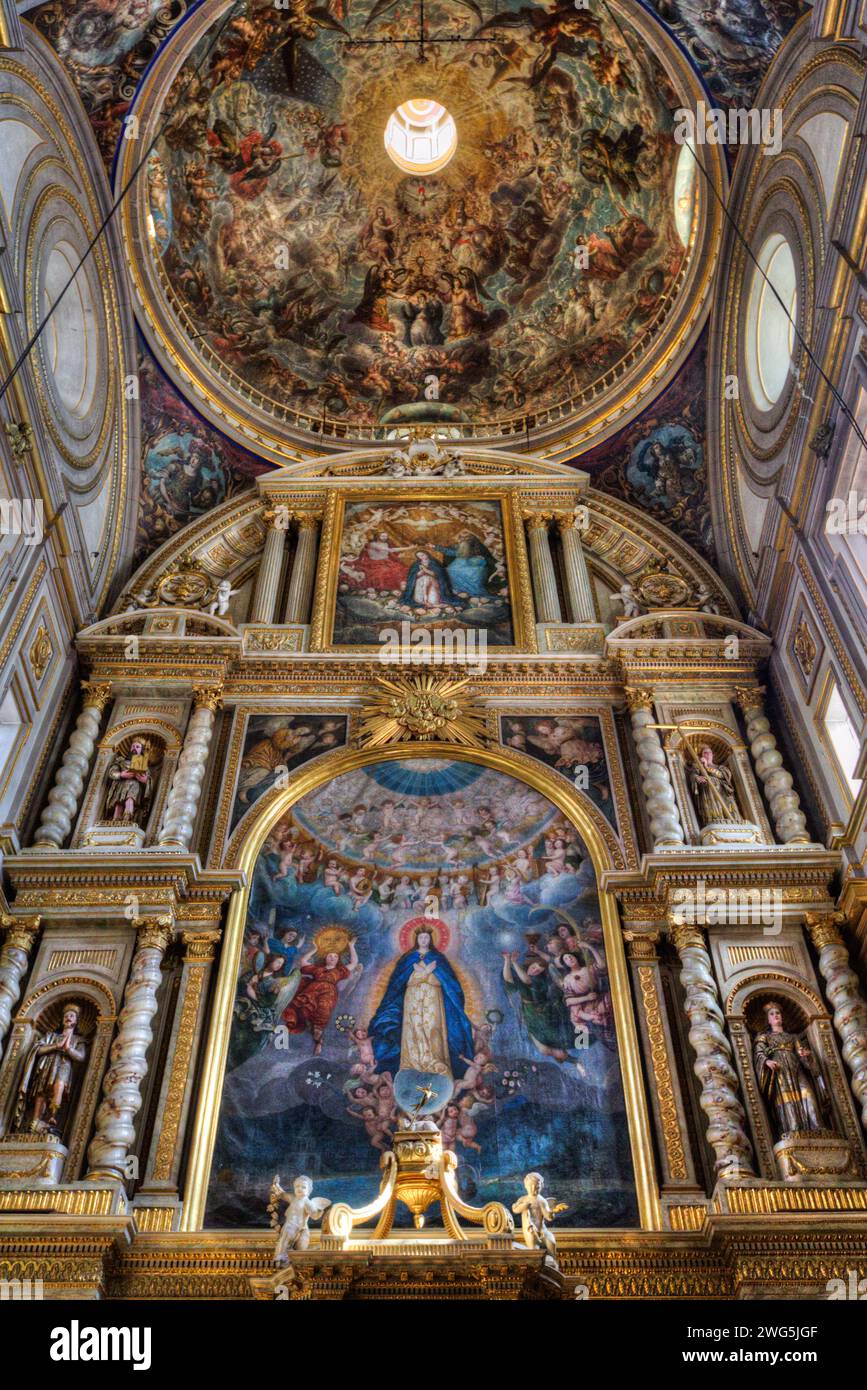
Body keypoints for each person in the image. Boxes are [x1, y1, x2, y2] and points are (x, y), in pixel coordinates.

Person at [368, 924, 474, 1080]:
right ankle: (412, 1064)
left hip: (433, 997)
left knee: (432, 1026)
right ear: (416, 939)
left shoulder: (438, 959)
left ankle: (435, 1062)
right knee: (414, 1027)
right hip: (412, 997)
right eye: (421, 937)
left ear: (431, 939)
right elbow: (401, 983)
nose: (424, 939)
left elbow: (447, 983)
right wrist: (426, 973)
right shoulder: (408, 959)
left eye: (426, 937)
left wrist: (424, 974)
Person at [753, 1001, 831, 1138]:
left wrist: (806, 1056)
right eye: (772, 1014)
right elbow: (759, 1053)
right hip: (780, 1072)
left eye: (778, 1013)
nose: (776, 1015)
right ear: (768, 1019)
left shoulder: (793, 1037)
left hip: (796, 1069)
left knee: (808, 1094)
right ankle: (792, 1130)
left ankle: (818, 1128)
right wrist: (766, 1061)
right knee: (786, 1099)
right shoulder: (764, 1037)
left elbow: (802, 1054)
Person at [13, 1003, 87, 1135]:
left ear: (76, 1020)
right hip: (47, 1066)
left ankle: (51, 1118)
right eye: (66, 1015)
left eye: (71, 1016)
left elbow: (81, 1056)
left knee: (58, 1089)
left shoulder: (78, 1039)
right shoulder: (51, 1036)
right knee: (41, 1091)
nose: (68, 1017)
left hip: (64, 1067)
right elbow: (39, 1049)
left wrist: (68, 1048)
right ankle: (35, 1122)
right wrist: (56, 1046)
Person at [282, 942, 361, 1055]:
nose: (332, 958)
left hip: (328, 994)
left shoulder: (339, 971)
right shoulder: (317, 969)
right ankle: (311, 1035)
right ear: (325, 958)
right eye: (330, 955)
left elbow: (354, 963)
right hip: (311, 991)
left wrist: (351, 946)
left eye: (335, 956)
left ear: (338, 959)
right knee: (303, 1011)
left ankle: (318, 1041)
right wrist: (314, 949)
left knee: (322, 1014)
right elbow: (303, 962)